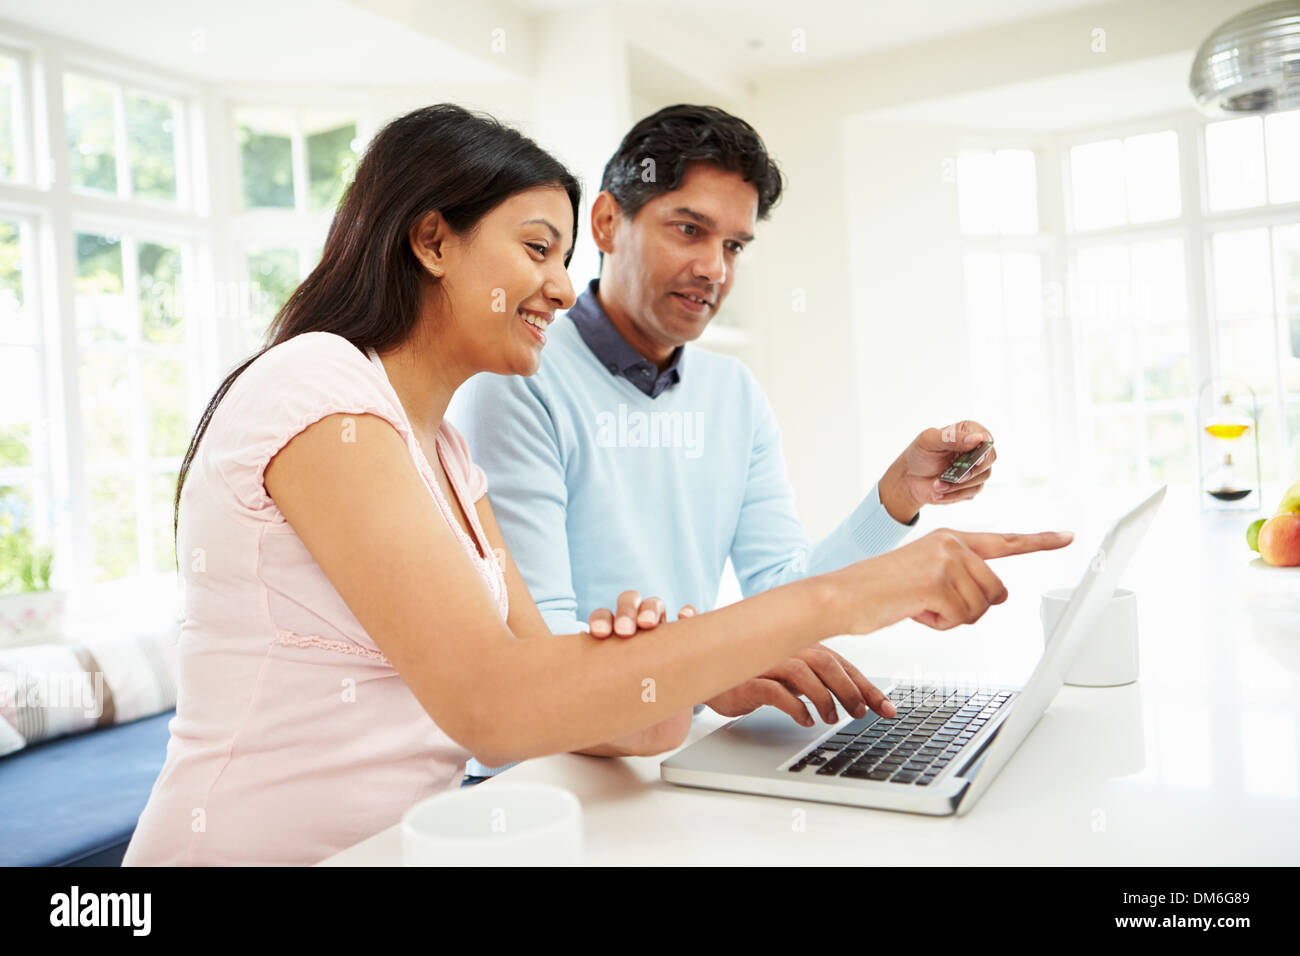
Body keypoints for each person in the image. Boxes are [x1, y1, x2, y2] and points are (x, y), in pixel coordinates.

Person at [123, 103, 1072, 866]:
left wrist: (660, 668)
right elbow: (497, 706)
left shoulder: (450, 456)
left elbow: (552, 713)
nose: (561, 287)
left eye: (562, 257)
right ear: (432, 241)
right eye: (538, 249)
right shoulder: (316, 384)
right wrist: (852, 595)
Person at [453, 104, 1008, 783]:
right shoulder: (519, 376)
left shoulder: (733, 392)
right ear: (605, 224)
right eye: (689, 230)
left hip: (667, 756)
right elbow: (541, 645)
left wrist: (896, 499)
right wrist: (706, 674)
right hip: (548, 777)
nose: (714, 268)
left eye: (734, 246)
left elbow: (780, 595)